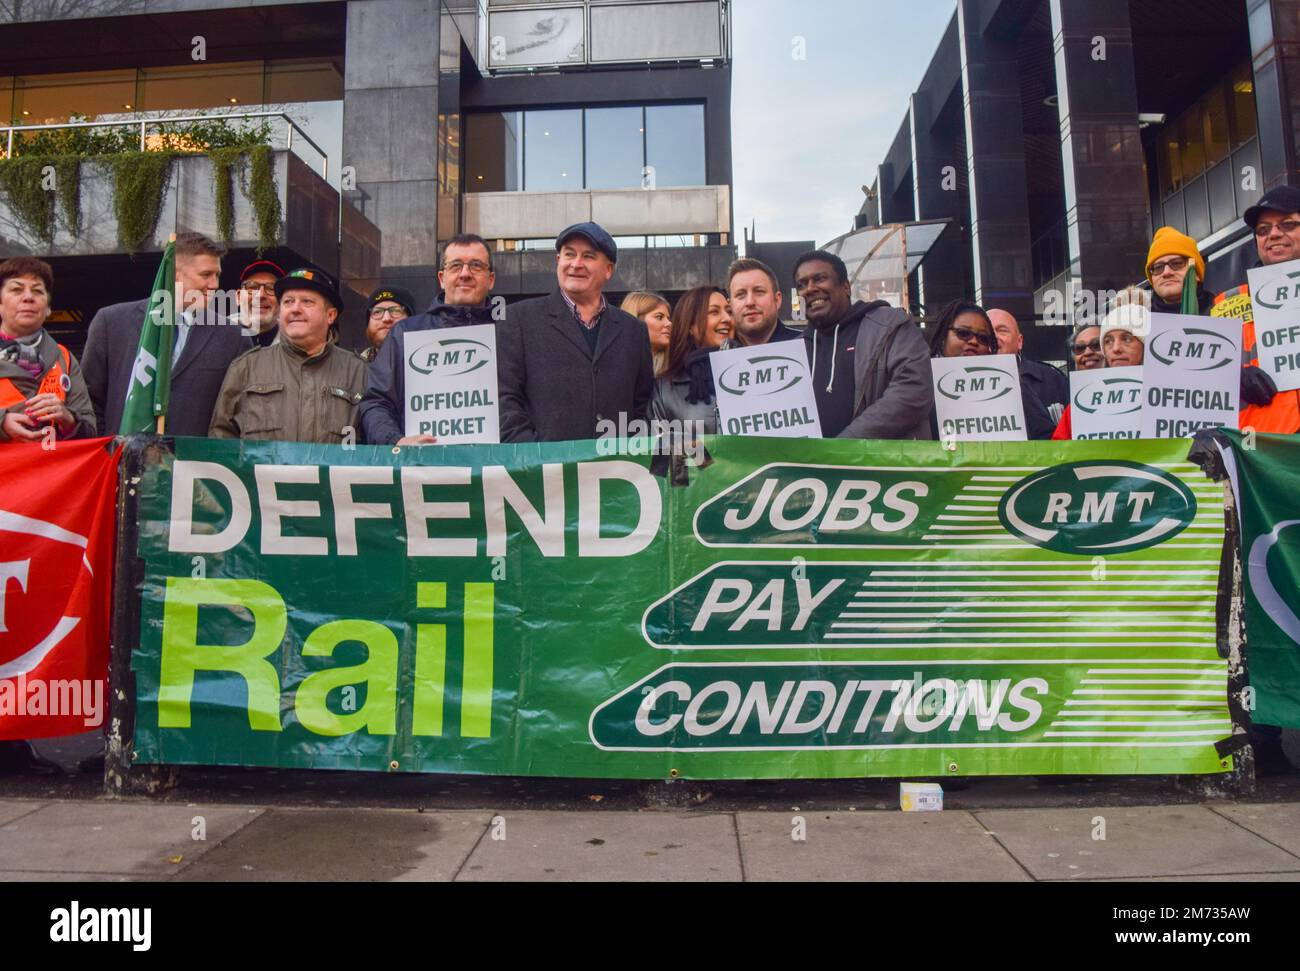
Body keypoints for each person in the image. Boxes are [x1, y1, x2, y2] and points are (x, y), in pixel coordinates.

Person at [498, 222, 654, 443]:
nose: (576, 264)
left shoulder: (634, 331)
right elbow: (505, 399)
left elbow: (643, 404)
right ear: (558, 261)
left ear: (608, 269)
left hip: (615, 469)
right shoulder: (517, 319)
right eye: (569, 254)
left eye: (588, 256)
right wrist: (533, 457)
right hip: (542, 471)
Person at [82, 232, 249, 437]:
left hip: (196, 464)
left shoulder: (233, 336)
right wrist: (106, 452)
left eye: (217, 275)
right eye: (206, 275)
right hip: (122, 461)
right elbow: (89, 401)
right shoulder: (112, 322)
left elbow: (239, 411)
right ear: (174, 274)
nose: (215, 284)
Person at [359, 235, 499, 446]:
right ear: (442, 278)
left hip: (495, 469)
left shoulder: (508, 333)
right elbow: (376, 402)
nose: (465, 274)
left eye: (476, 266)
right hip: (423, 469)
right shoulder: (405, 333)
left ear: (491, 279)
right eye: (456, 266)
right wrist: (396, 442)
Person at [209, 268, 366, 443]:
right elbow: (221, 438)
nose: (295, 309)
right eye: (288, 302)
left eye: (307, 302)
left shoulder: (359, 371)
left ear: (330, 315)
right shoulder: (246, 367)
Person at [794, 250, 933, 440]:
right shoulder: (793, 350)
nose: (809, 289)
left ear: (845, 287)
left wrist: (842, 450)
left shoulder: (889, 325)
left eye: (819, 279)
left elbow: (912, 391)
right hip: (805, 468)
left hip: (880, 466)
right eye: (801, 285)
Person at [927, 300, 1056, 440]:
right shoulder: (921, 383)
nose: (973, 341)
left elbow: (1045, 437)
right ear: (943, 336)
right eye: (963, 333)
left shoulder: (1012, 383)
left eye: (983, 338)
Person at [0, 257, 96, 444]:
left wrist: (68, 419)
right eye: (16, 290)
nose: (28, 297)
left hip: (52, 472)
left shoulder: (65, 359)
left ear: (49, 308)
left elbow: (90, 433)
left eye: (37, 291)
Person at [1230, 186, 1300, 435]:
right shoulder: (1226, 303)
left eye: (1288, 225)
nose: (1274, 234)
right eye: (1263, 230)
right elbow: (1200, 382)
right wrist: (1234, 378)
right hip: (1266, 453)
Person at [648, 286, 734, 431]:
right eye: (714, 312)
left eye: (729, 312)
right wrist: (694, 448)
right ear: (690, 326)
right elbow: (657, 448)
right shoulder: (665, 389)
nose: (726, 318)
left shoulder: (755, 374)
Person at [988, 308, 1069, 416]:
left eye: (1002, 330)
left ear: (1019, 342)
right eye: (987, 332)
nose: (993, 336)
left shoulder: (1052, 380)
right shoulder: (966, 384)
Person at [1050, 322, 1105, 440]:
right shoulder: (1073, 409)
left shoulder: (1139, 394)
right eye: (1079, 348)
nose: (1088, 352)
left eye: (1096, 345)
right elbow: (1060, 452)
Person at [729, 258, 801, 346]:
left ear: (777, 300)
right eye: (741, 295)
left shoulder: (807, 346)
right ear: (730, 305)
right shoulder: (715, 353)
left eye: (759, 292)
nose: (750, 302)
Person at [1145, 227, 1213, 315]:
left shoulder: (1223, 311)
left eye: (1177, 263)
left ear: (1196, 273)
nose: (1166, 272)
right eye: (1158, 267)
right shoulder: (1137, 324)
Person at [621, 291, 673, 377]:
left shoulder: (680, 367)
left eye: (668, 318)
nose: (669, 323)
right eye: (659, 317)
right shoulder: (612, 368)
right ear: (636, 319)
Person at [234, 259, 284, 348]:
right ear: (238, 297)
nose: (261, 295)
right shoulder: (216, 337)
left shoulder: (297, 345)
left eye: (271, 288)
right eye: (252, 287)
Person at [360, 286, 415, 364]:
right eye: (377, 312)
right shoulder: (354, 369)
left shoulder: (427, 363)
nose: (386, 318)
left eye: (396, 311)